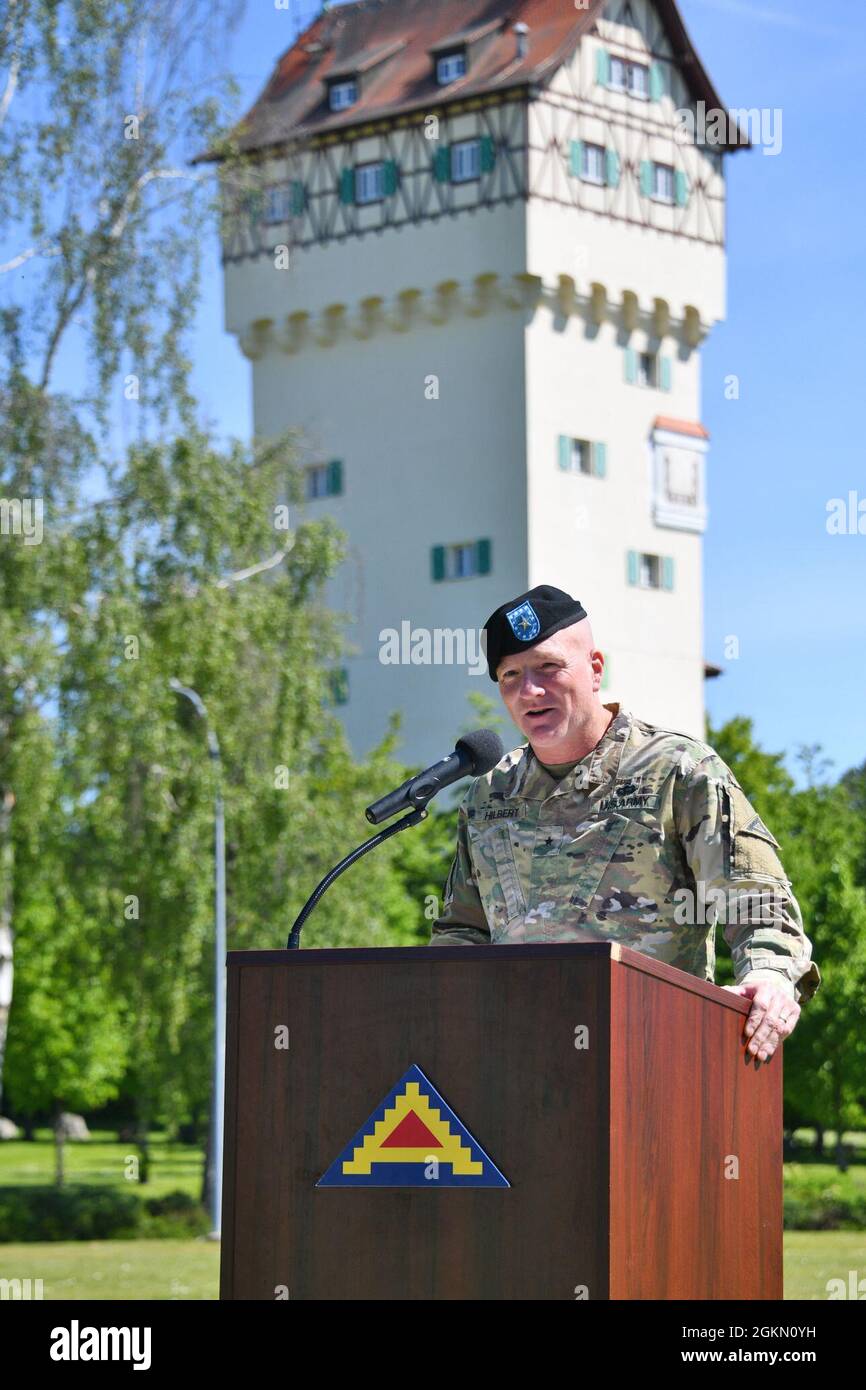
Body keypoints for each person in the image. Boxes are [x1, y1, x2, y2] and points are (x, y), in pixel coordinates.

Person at [429, 585, 820, 1063]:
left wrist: (769, 975)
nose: (529, 691)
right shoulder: (489, 795)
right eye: (510, 675)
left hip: (655, 1061)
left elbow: (758, 902)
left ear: (595, 670)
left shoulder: (678, 771)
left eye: (549, 668)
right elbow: (462, 931)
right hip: (519, 1064)